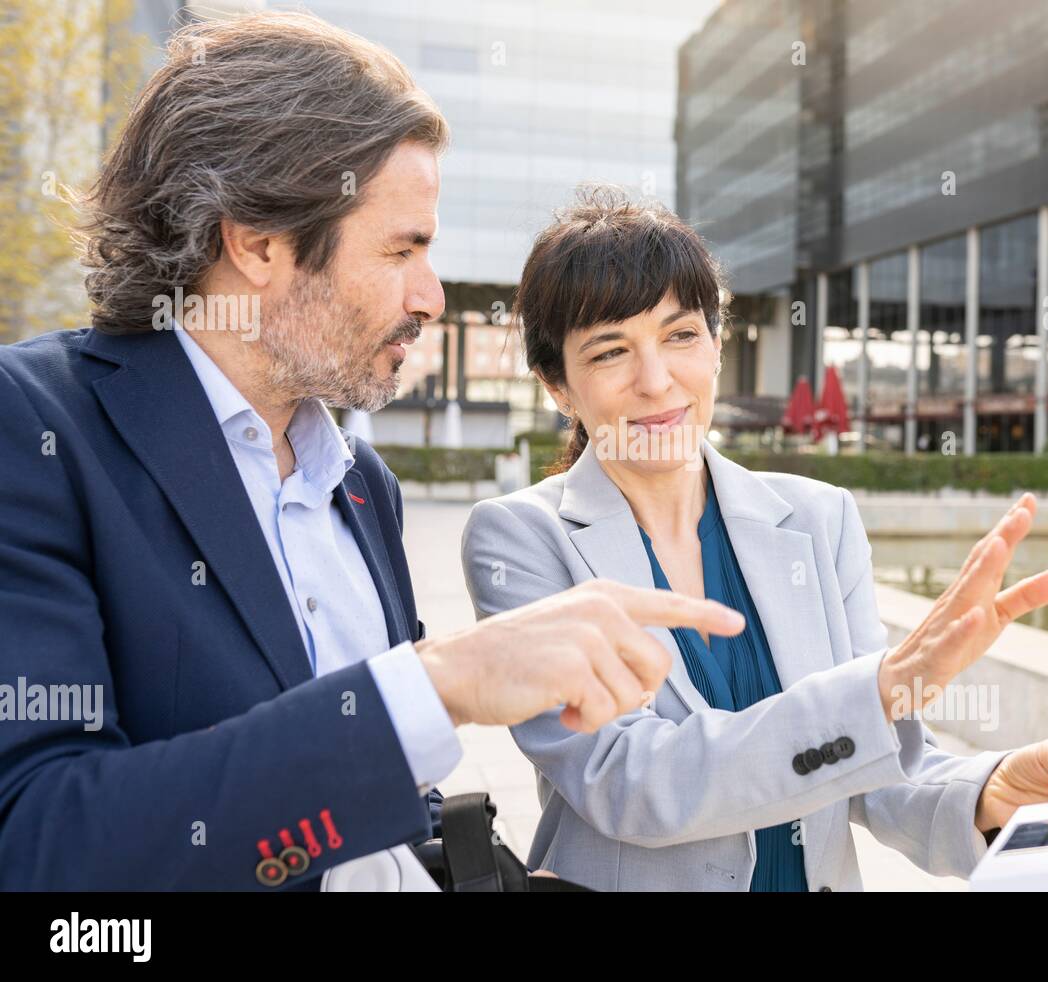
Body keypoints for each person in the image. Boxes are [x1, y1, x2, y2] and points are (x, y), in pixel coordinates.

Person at [0, 13, 743, 890]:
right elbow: (42, 843)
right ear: (259, 241)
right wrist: (439, 685)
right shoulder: (36, 429)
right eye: (403, 249)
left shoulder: (361, 485)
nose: (429, 295)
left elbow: (387, 817)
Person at [460, 188, 1048, 891]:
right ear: (557, 385)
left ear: (716, 346)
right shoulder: (521, 539)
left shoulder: (818, 519)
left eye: (681, 335)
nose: (657, 381)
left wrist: (987, 793)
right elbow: (625, 783)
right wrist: (883, 693)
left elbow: (869, 770)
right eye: (611, 351)